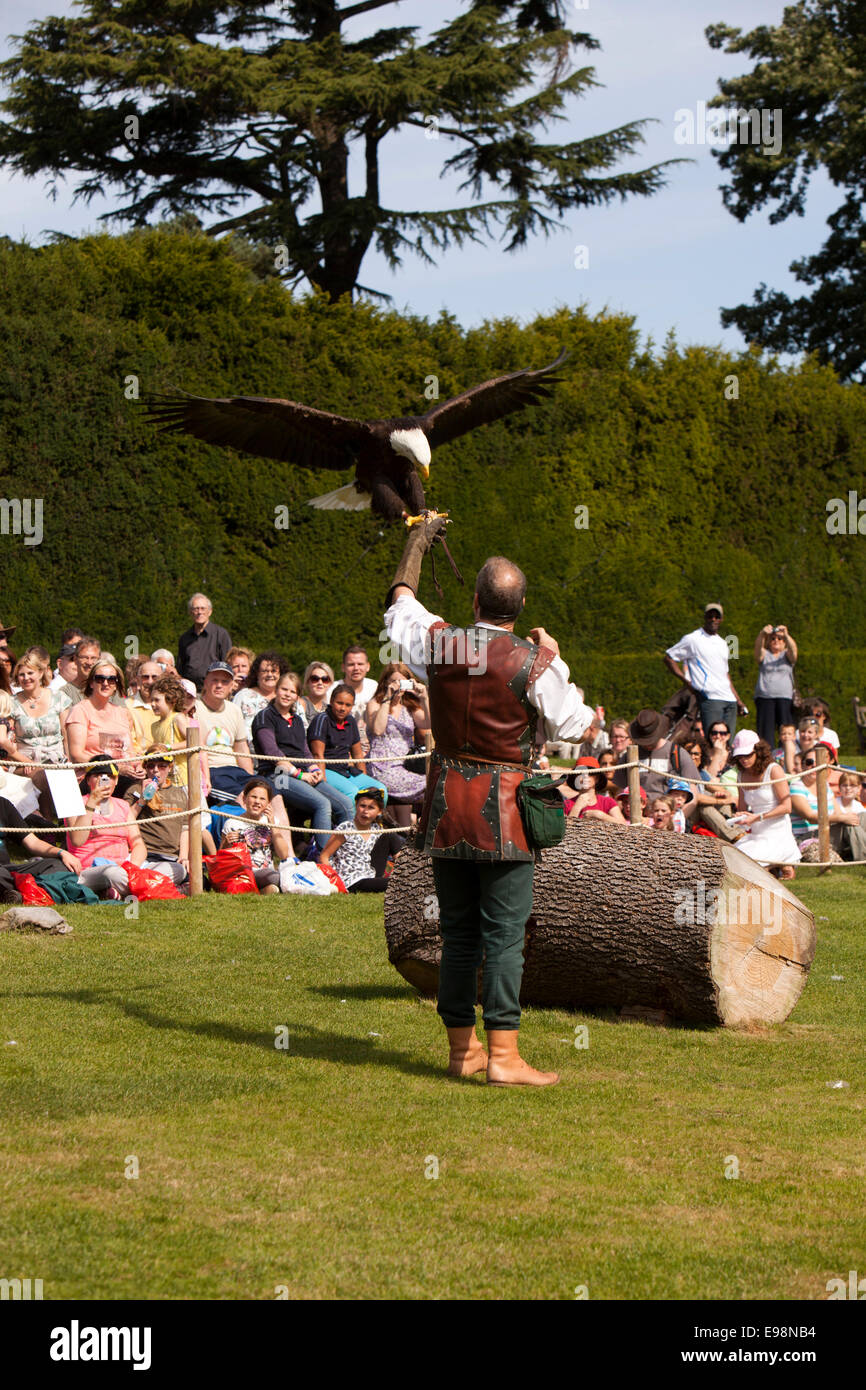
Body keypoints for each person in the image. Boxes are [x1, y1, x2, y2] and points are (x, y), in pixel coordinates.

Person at [385, 521, 595, 1087]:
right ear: (521, 604)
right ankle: (503, 1058)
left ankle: (463, 1052)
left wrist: (417, 542)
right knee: (504, 935)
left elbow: (398, 602)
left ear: (474, 600)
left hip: (448, 804)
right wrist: (554, 657)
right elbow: (577, 724)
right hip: (505, 813)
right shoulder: (535, 661)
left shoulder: (438, 642)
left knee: (457, 933)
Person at [252, 672, 353, 851]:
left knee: (346, 805)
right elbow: (272, 753)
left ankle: (345, 852)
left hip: (302, 773)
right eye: (284, 689)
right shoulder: (265, 716)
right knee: (322, 804)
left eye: (292, 691)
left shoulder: (297, 720)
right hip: (277, 774)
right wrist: (300, 774)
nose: (287, 694)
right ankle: (324, 857)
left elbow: (305, 751)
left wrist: (314, 769)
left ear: (297, 696)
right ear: (276, 690)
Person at [663, 603, 747, 736]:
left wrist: (738, 700)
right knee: (713, 741)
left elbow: (725, 674)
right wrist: (687, 682)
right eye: (710, 616)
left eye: (716, 617)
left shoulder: (723, 643)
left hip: (729, 700)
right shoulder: (693, 639)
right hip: (710, 698)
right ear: (705, 617)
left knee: (727, 744)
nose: (713, 619)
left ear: (721, 619)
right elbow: (669, 658)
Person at [66, 762, 147, 898]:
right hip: (91, 869)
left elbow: (138, 844)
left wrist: (132, 868)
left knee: (176, 869)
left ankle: (118, 890)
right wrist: (92, 801)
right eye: (99, 776)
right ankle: (145, 886)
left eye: (110, 776)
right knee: (111, 873)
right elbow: (76, 840)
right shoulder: (75, 803)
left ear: (116, 781)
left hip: (125, 867)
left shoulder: (123, 805)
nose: (104, 781)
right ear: (88, 780)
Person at [365, 663, 430, 827]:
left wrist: (424, 698)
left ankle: (420, 831)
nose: (398, 687)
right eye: (394, 682)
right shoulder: (376, 703)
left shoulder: (409, 707)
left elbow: (429, 722)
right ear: (385, 682)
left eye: (403, 682)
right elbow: (378, 729)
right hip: (382, 767)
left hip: (405, 767)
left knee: (436, 781)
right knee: (432, 785)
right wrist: (387, 698)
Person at [729, 731, 800, 877]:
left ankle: (782, 862)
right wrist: (740, 817)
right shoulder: (741, 775)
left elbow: (787, 807)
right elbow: (743, 809)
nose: (744, 760)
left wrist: (757, 817)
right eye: (740, 756)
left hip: (778, 833)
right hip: (756, 835)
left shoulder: (774, 770)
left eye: (748, 754)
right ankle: (778, 865)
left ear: (758, 751)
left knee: (752, 869)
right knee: (734, 861)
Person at [64, 659, 143, 781]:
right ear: (91, 683)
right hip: (93, 776)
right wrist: (114, 767)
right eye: (100, 679)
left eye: (111, 680)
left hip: (124, 776)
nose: (106, 683)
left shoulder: (122, 713)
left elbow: (129, 752)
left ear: (116, 685)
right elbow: (77, 755)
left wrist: (138, 766)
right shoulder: (80, 711)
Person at [308, 684, 386, 804]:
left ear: (352, 706)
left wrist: (364, 778)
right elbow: (318, 755)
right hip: (327, 770)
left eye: (348, 705)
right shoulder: (322, 719)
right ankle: (352, 823)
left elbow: (358, 754)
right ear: (331, 701)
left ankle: (375, 821)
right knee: (353, 792)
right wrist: (322, 786)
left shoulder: (351, 721)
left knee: (380, 790)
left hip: (345, 770)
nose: (343, 708)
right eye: (339, 703)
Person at [319, 786, 406, 893]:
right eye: (362, 806)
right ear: (356, 806)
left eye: (371, 807)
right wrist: (334, 881)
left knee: (389, 835)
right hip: (351, 880)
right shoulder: (346, 828)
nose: (365, 811)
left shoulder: (377, 830)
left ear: (379, 812)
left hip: (371, 873)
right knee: (397, 884)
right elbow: (324, 856)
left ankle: (407, 870)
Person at [124, 746, 190, 885]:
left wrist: (183, 856)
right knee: (124, 872)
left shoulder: (180, 793)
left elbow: (185, 828)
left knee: (179, 870)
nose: (155, 770)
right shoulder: (135, 789)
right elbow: (124, 821)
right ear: (145, 768)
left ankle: (141, 883)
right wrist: (142, 799)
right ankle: (151, 883)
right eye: (151, 766)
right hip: (143, 855)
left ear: (170, 768)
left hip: (170, 857)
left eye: (162, 766)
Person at [612, 709, 700, 815]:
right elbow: (620, 792)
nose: (647, 744)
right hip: (637, 818)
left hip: (668, 819)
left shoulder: (677, 753)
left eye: (649, 739)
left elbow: (693, 796)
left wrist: (674, 821)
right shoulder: (629, 755)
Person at [0, 795, 83, 904]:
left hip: (8, 871)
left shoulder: (3, 804)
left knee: (59, 865)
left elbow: (33, 842)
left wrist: (61, 852)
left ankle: (28, 890)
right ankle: (26, 890)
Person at [220, 778, 292, 894]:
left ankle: (260, 889)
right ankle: (258, 889)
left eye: (262, 799)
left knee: (275, 876)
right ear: (244, 799)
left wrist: (272, 824)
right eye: (253, 797)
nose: (257, 801)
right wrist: (227, 843)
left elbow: (283, 854)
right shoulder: (232, 823)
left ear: (268, 804)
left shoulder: (272, 822)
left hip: (264, 872)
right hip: (241, 873)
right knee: (276, 878)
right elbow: (221, 858)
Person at [10, 649, 71, 766]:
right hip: (25, 764)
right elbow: (9, 739)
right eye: (21, 674)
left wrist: (70, 762)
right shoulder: (11, 703)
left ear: (40, 673)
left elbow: (66, 735)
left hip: (57, 760)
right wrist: (26, 763)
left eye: (30, 673)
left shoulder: (59, 698)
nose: (26, 678)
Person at [753, 624, 797, 747]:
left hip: (784, 697)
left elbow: (794, 652)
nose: (776, 640)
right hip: (765, 697)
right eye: (772, 638)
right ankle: (767, 757)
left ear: (784, 642)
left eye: (779, 638)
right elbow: (757, 652)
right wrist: (762, 634)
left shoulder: (786, 655)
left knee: (786, 731)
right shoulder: (765, 654)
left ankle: (786, 754)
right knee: (765, 732)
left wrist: (787, 635)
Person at [177, 593, 232, 690]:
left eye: (203, 608)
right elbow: (181, 668)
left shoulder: (221, 634)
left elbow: (228, 664)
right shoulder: (184, 638)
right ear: (190, 612)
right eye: (196, 609)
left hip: (214, 689)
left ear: (210, 612)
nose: (199, 612)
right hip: (190, 691)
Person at [233, 650, 287, 740]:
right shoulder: (243, 696)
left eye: (274, 671)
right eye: (265, 671)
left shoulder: (288, 697)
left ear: (281, 674)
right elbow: (232, 723)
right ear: (257, 674)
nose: (269, 674)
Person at [149, 674, 190, 780]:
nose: (153, 704)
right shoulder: (154, 726)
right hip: (166, 779)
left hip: (183, 777)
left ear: (172, 700)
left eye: (157, 700)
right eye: (151, 700)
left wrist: (169, 747)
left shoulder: (177, 718)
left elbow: (194, 741)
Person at [561, 758, 625, 823]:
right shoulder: (566, 804)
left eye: (590, 773)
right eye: (580, 773)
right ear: (575, 778)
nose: (585, 776)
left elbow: (624, 825)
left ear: (597, 778)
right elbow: (564, 830)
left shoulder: (608, 802)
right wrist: (577, 808)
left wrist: (601, 816)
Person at [126, 659, 161, 755]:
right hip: (140, 761)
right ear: (138, 680)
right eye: (145, 677)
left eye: (154, 677)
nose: (150, 682)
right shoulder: (127, 706)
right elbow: (129, 742)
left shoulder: (170, 705)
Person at [58, 636, 102, 706]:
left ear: (99, 660)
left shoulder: (108, 690)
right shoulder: (65, 693)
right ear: (75, 659)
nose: (89, 662)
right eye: (85, 657)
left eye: (93, 658)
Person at [298, 661, 335, 727]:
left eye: (325, 679)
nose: (320, 683)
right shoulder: (301, 704)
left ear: (330, 683)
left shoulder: (329, 709)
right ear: (307, 681)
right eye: (315, 679)